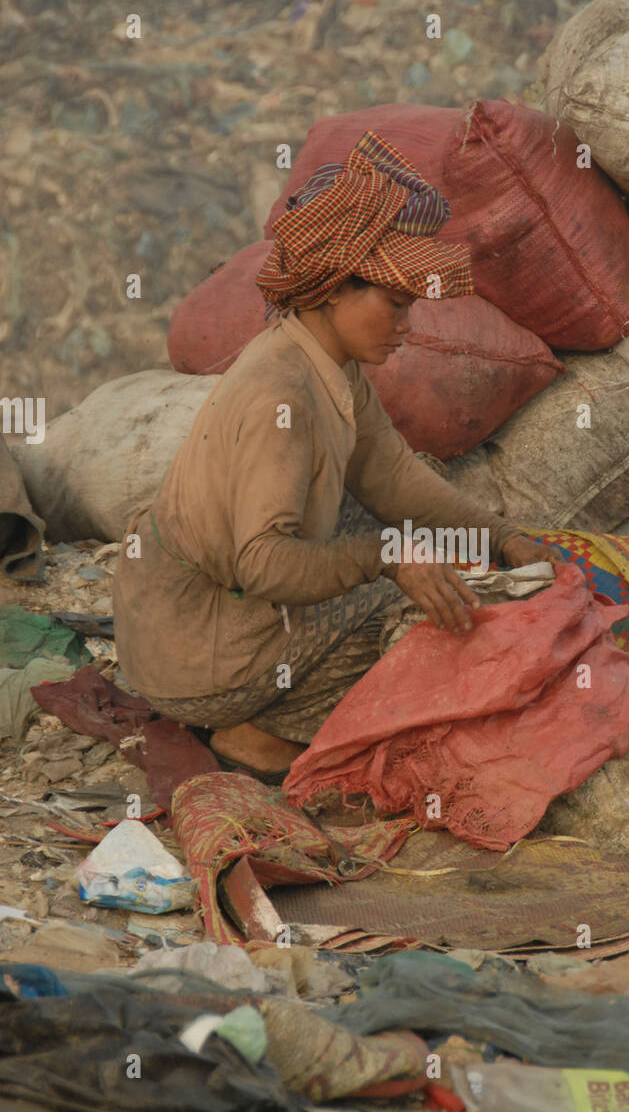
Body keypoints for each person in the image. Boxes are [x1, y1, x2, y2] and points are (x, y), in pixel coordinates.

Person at [113, 132, 562, 781]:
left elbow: (394, 477)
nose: (407, 328)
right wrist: (385, 560)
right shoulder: (282, 397)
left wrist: (502, 539)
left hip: (182, 616)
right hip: (189, 650)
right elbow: (264, 563)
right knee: (409, 603)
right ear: (332, 290)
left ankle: (259, 708)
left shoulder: (325, 362)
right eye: (396, 305)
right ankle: (257, 736)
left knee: (397, 535)